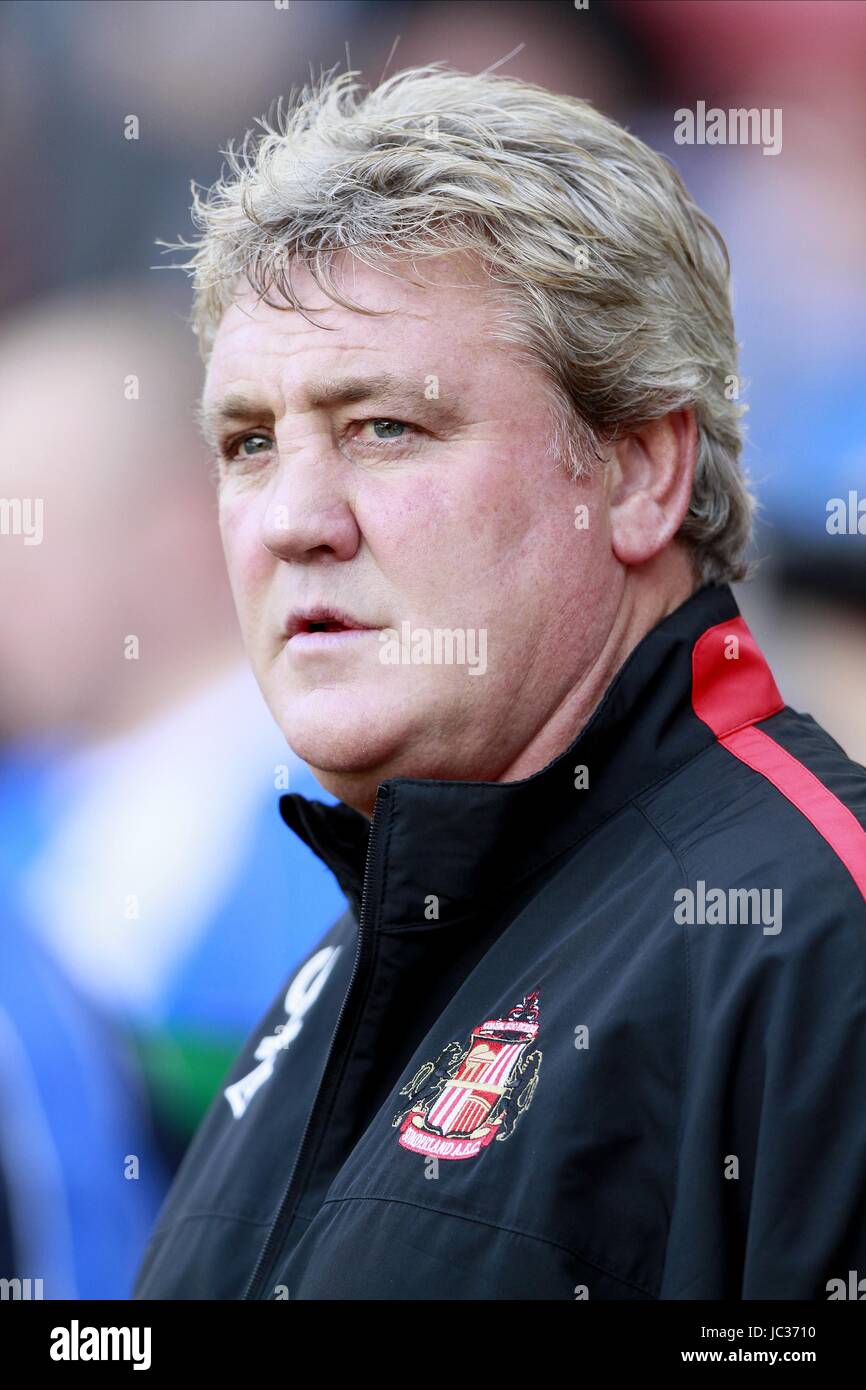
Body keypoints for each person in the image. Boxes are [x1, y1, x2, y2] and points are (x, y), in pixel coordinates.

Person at [132, 65, 866, 1301]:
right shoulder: (337, 977)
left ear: (636, 470)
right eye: (249, 442)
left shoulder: (813, 947)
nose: (294, 520)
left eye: (384, 428)